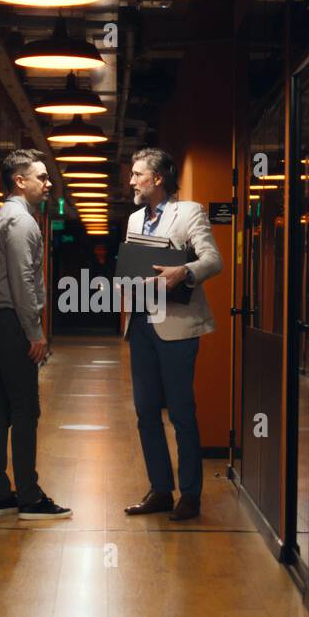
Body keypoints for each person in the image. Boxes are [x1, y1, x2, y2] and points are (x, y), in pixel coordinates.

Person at [121, 147, 222, 522]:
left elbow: (213, 260)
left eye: (137, 174)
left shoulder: (189, 212)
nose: (131, 181)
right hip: (142, 322)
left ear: (158, 179)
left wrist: (183, 273)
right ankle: (161, 490)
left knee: (181, 411)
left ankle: (191, 495)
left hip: (177, 321)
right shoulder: (133, 220)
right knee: (146, 411)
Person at [0, 149, 71, 520]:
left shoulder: (3, 217)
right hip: (11, 322)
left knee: (0, 409)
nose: (48, 184)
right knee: (25, 409)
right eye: (42, 177)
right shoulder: (21, 222)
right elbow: (22, 282)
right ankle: (30, 497)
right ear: (20, 181)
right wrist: (35, 332)